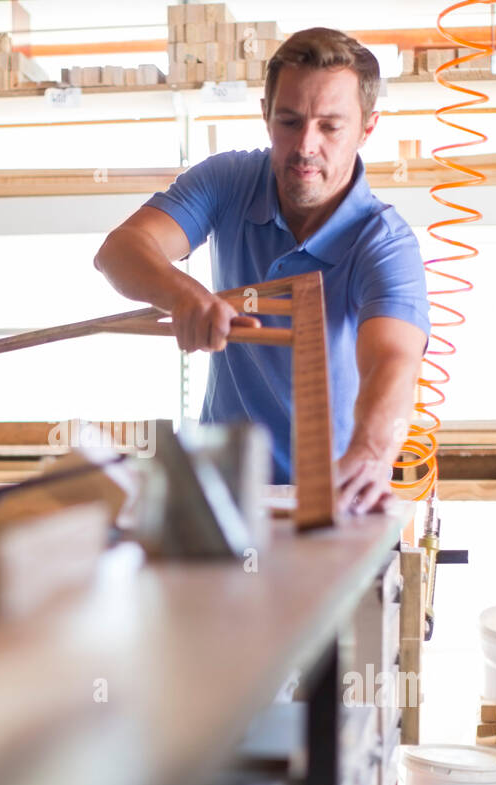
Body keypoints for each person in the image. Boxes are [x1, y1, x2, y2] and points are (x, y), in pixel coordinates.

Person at [95, 28, 429, 515]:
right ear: (265, 115)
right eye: (289, 122)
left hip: (329, 495)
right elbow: (120, 251)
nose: (305, 147)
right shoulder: (228, 181)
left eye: (331, 127)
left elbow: (392, 361)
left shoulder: (384, 243)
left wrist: (372, 454)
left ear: (367, 128)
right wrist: (183, 294)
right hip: (223, 491)